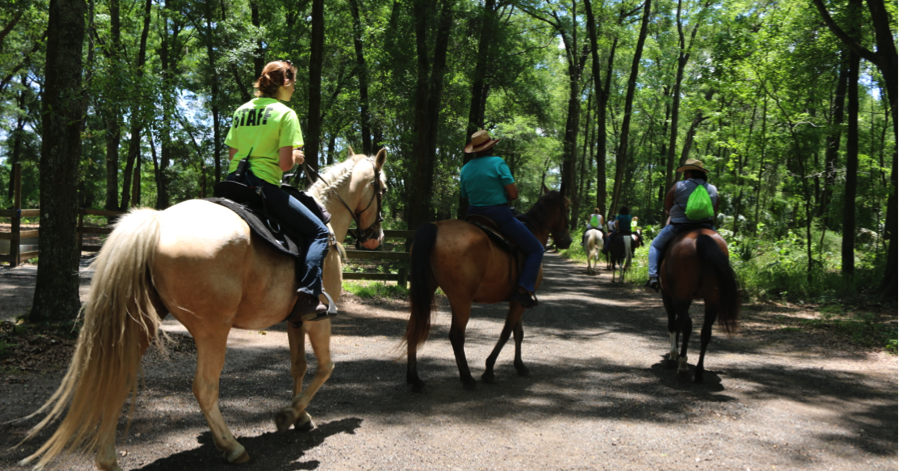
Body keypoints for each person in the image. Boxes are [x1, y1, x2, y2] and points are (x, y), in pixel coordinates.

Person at [224, 60, 330, 321]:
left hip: (232, 185)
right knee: (319, 232)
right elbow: (284, 165)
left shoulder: (241, 111)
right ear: (285, 82)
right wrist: (295, 157)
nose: (294, 88)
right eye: (293, 83)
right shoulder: (285, 114)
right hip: (263, 187)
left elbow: (232, 155)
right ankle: (308, 296)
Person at [461, 130, 544, 308]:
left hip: (473, 216)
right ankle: (523, 290)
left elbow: (465, 195)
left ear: (474, 150)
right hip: (499, 216)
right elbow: (513, 194)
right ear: (490, 147)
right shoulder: (498, 163)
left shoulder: (465, 168)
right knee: (536, 249)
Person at [645, 158, 719, 292]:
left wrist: (675, 213)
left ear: (689, 173)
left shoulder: (679, 186)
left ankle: (653, 277)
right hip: (706, 226)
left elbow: (667, 206)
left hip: (679, 226)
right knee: (720, 248)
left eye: (685, 172)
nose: (684, 175)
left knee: (655, 245)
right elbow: (714, 210)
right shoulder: (712, 189)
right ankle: (722, 280)